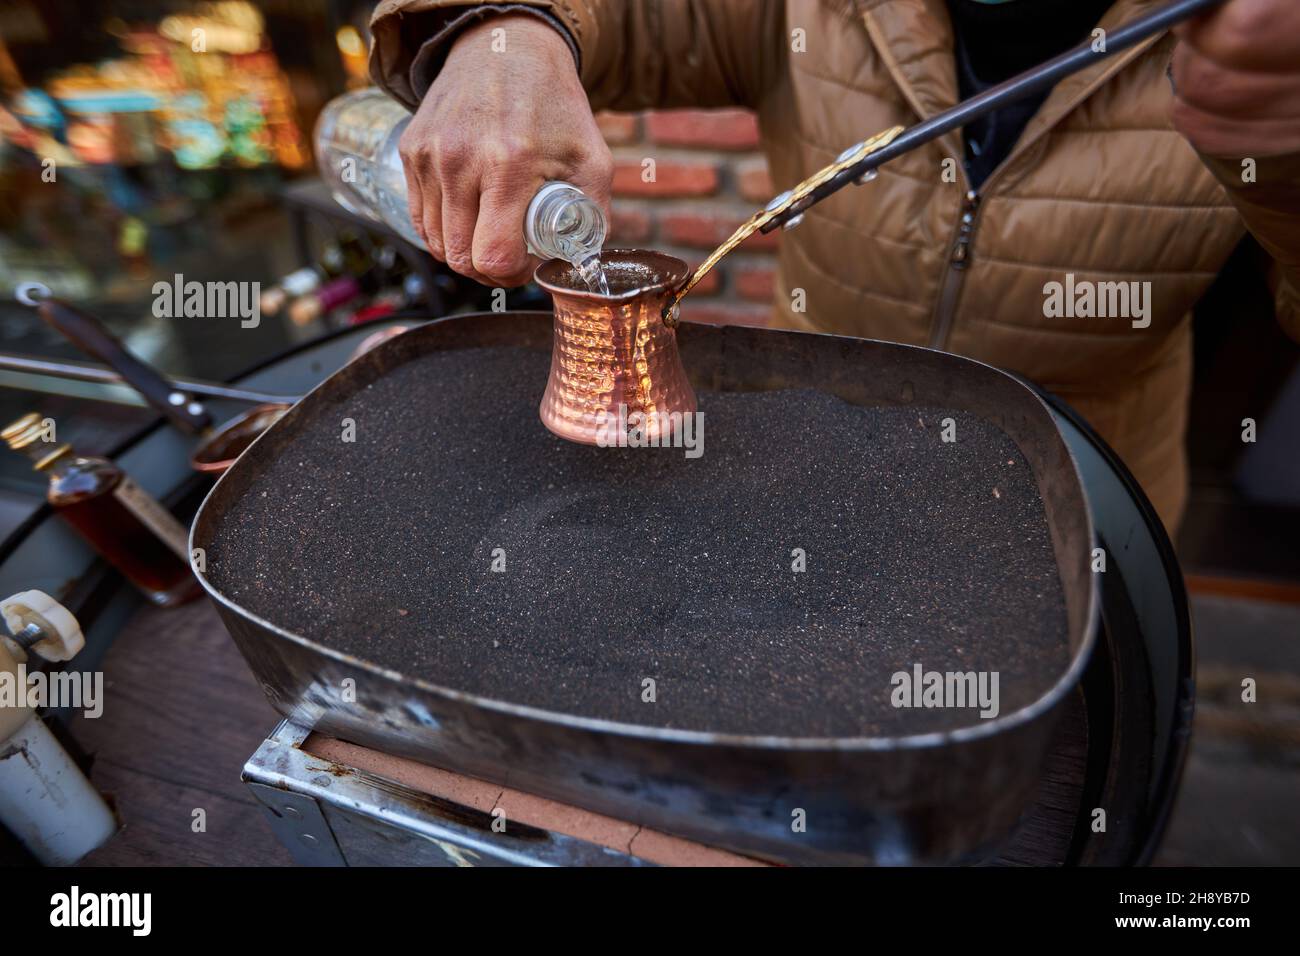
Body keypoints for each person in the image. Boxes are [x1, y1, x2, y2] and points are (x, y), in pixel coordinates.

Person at [368, 0, 1300, 531]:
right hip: (807, 483)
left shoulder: (1254, 38)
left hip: (1074, 517)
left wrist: (1283, 161)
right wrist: (507, 30)